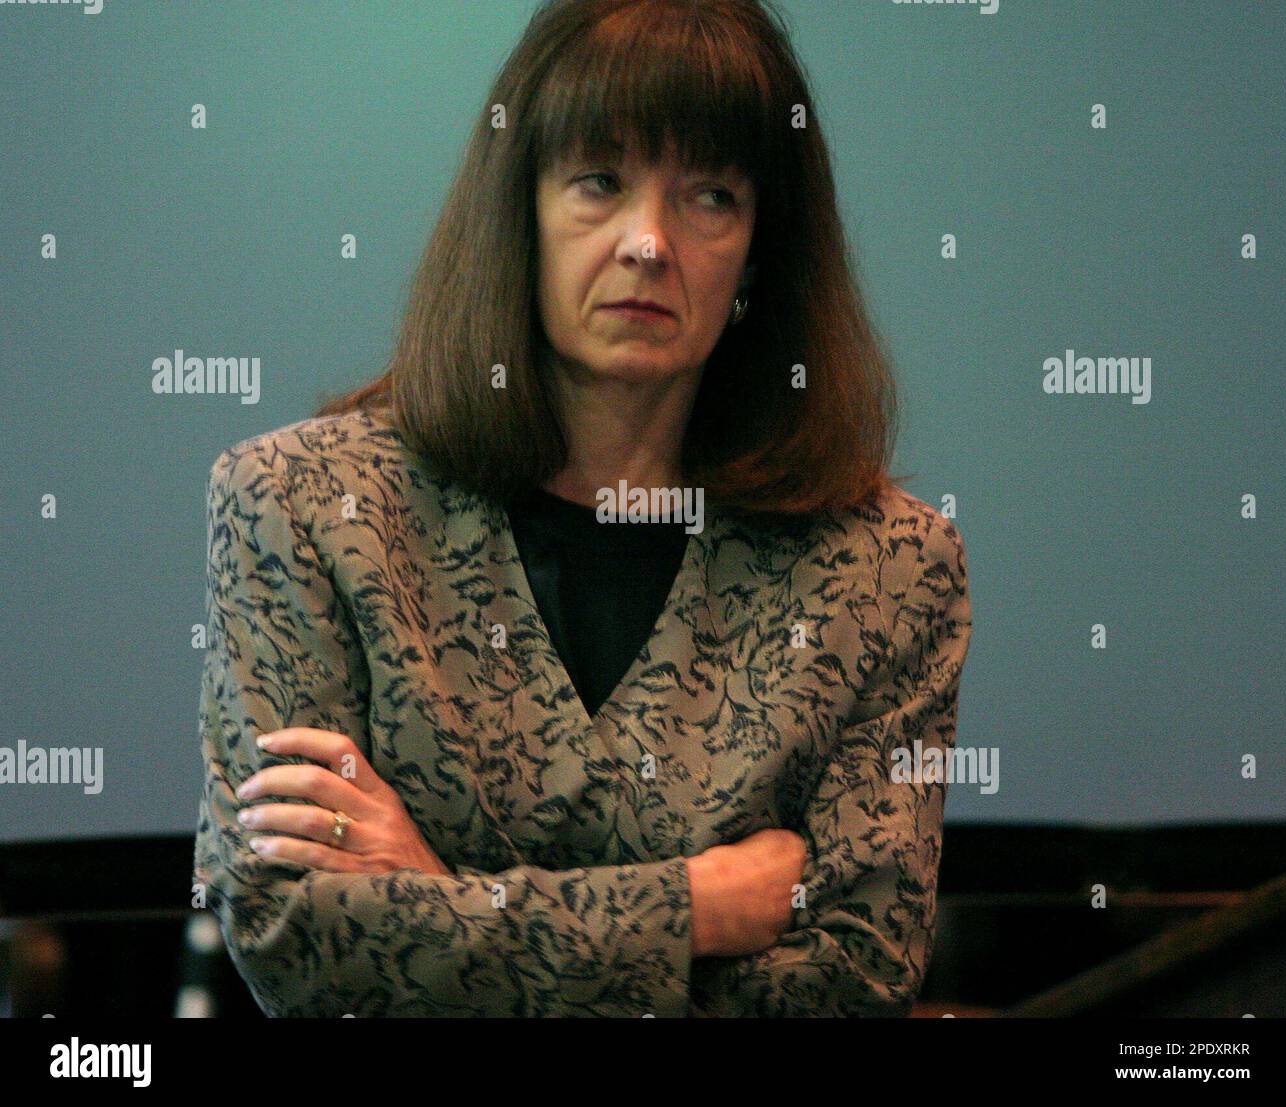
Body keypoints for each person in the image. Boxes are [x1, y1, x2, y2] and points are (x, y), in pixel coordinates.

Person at [193, 0, 972, 1017]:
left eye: (711, 197)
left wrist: (433, 895)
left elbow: (851, 985)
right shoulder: (301, 508)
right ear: (519, 209)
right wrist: (693, 908)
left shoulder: (887, 567)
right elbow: (290, 937)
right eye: (599, 182)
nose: (648, 242)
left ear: (757, 254)